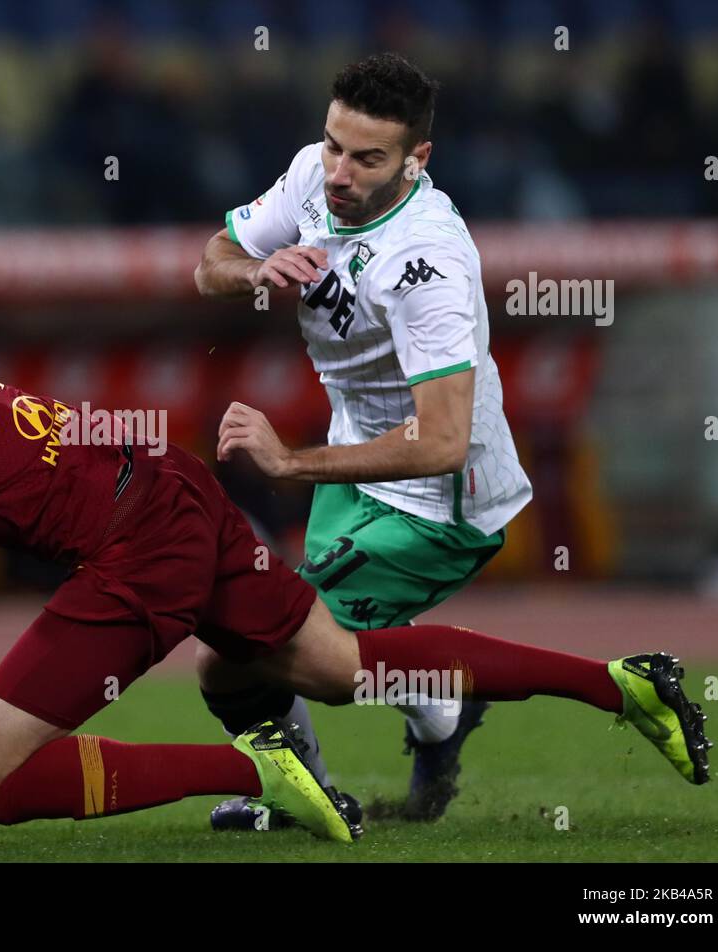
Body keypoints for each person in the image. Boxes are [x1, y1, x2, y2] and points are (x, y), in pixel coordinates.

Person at [0, 276, 710, 842]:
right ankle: (622, 682)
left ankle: (260, 778)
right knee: (343, 665)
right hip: (165, 486)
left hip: (132, 535)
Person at [195, 52, 530, 823]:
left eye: (367, 157)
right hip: (357, 462)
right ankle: (436, 711)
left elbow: (444, 442)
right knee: (310, 650)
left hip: (437, 503)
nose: (339, 173)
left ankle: (298, 799)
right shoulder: (317, 174)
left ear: (418, 159)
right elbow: (208, 262)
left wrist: (288, 462)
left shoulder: (429, 264)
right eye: (333, 145)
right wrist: (255, 270)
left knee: (246, 650)